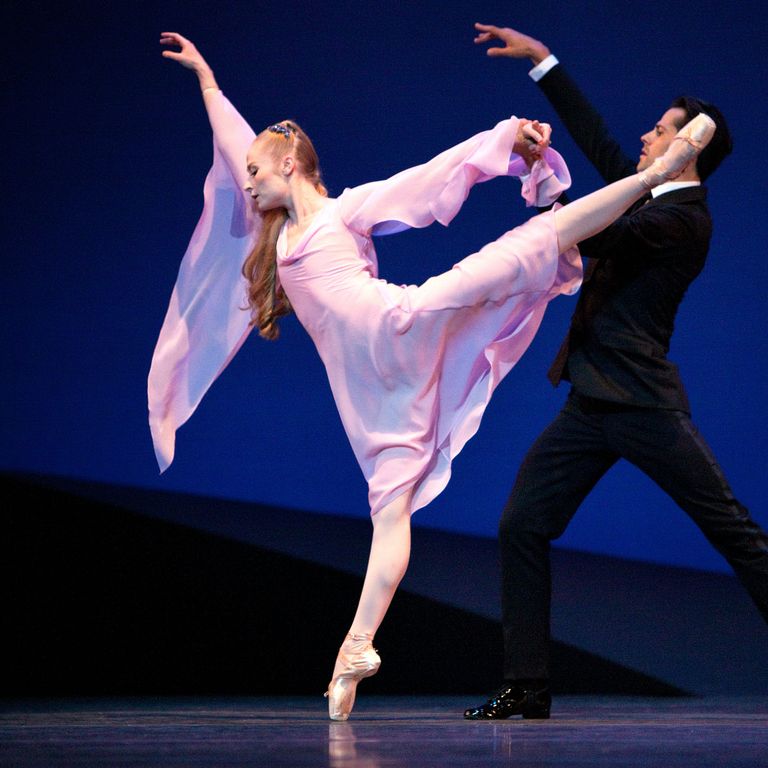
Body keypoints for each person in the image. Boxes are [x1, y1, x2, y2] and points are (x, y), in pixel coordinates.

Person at [148, 31, 714, 721]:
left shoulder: (340, 211)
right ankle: (355, 649)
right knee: (390, 505)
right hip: (367, 387)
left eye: (260, 174)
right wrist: (208, 80)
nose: (250, 182)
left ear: (291, 163)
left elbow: (426, 177)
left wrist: (504, 142)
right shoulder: (283, 233)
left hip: (406, 323)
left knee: (537, 239)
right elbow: (245, 146)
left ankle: (653, 179)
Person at [464, 23, 768, 721]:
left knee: (733, 531)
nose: (645, 138)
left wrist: (545, 183)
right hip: (592, 404)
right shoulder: (650, 195)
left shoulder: (684, 219)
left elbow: (594, 232)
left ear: (689, 149)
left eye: (662, 132)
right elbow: (601, 143)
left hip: (642, 404)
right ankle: (528, 686)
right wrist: (544, 63)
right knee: (522, 525)